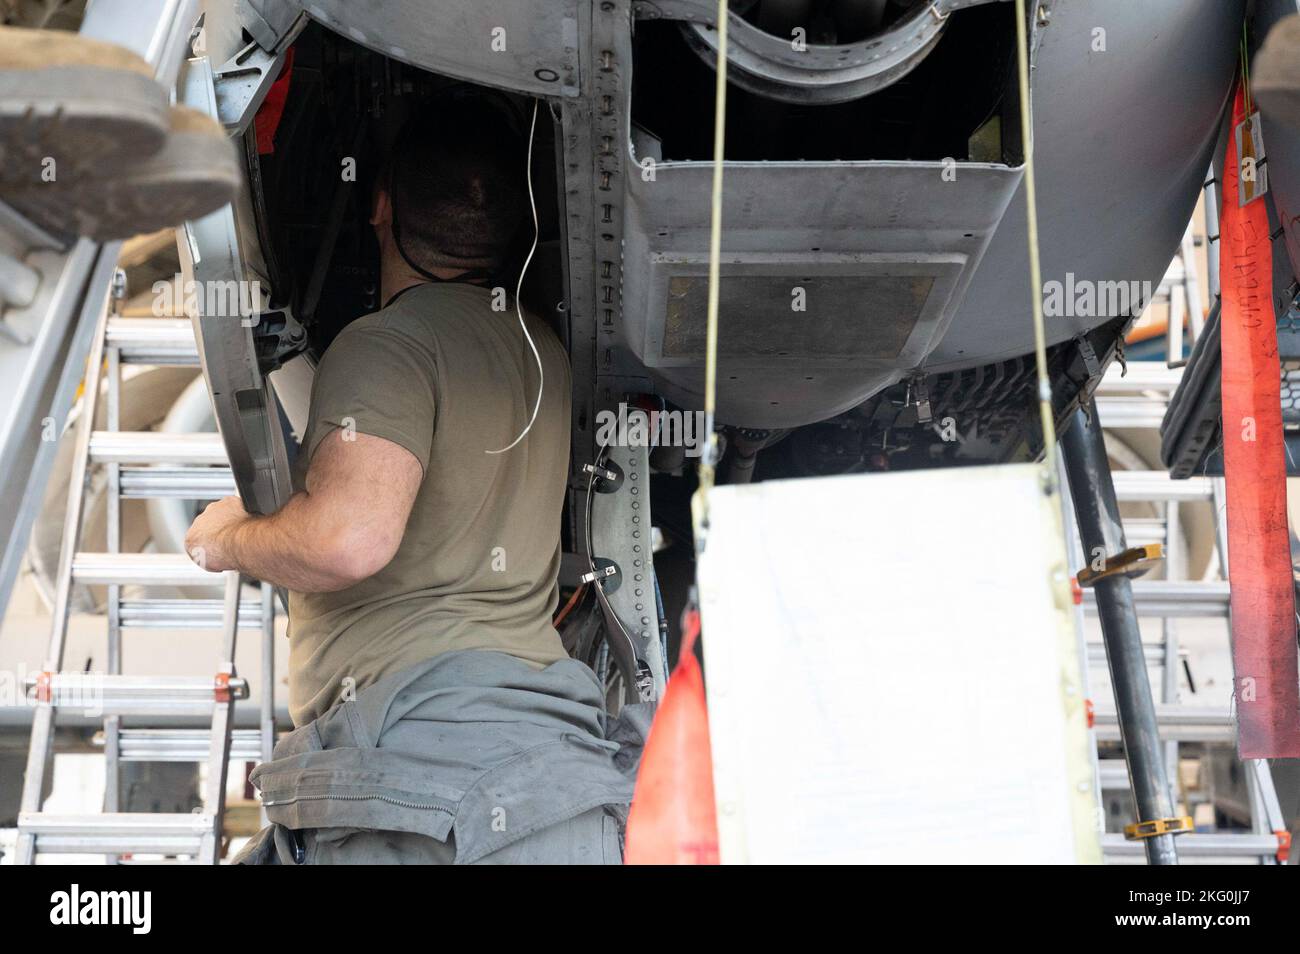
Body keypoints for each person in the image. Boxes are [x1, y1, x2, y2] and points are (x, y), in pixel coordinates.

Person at [185, 100, 643, 864]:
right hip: (554, 783)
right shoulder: (543, 350)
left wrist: (225, 537)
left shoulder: (388, 344)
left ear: (381, 207)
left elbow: (349, 538)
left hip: (427, 785)